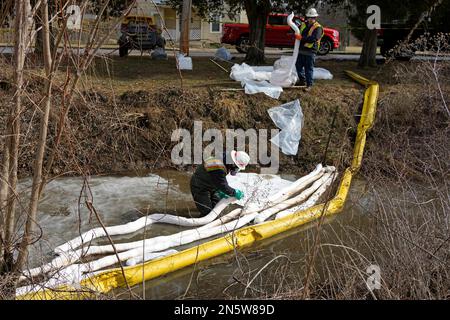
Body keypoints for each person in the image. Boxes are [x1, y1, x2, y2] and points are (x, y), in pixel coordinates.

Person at [190, 150, 250, 217]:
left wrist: (221, 191)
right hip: (200, 186)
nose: (235, 170)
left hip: (211, 183)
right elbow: (222, 184)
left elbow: (218, 179)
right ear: (233, 163)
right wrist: (234, 192)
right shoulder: (218, 166)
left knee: (217, 207)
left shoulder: (225, 158)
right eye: (236, 167)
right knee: (208, 213)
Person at [295, 8, 324, 91]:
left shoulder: (318, 28)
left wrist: (301, 38)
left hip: (311, 51)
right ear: (307, 17)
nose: (311, 19)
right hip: (301, 50)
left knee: (308, 69)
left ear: (315, 18)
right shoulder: (303, 24)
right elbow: (296, 29)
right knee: (298, 66)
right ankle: (302, 81)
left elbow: (314, 38)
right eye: (309, 17)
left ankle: (309, 85)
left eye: (313, 17)